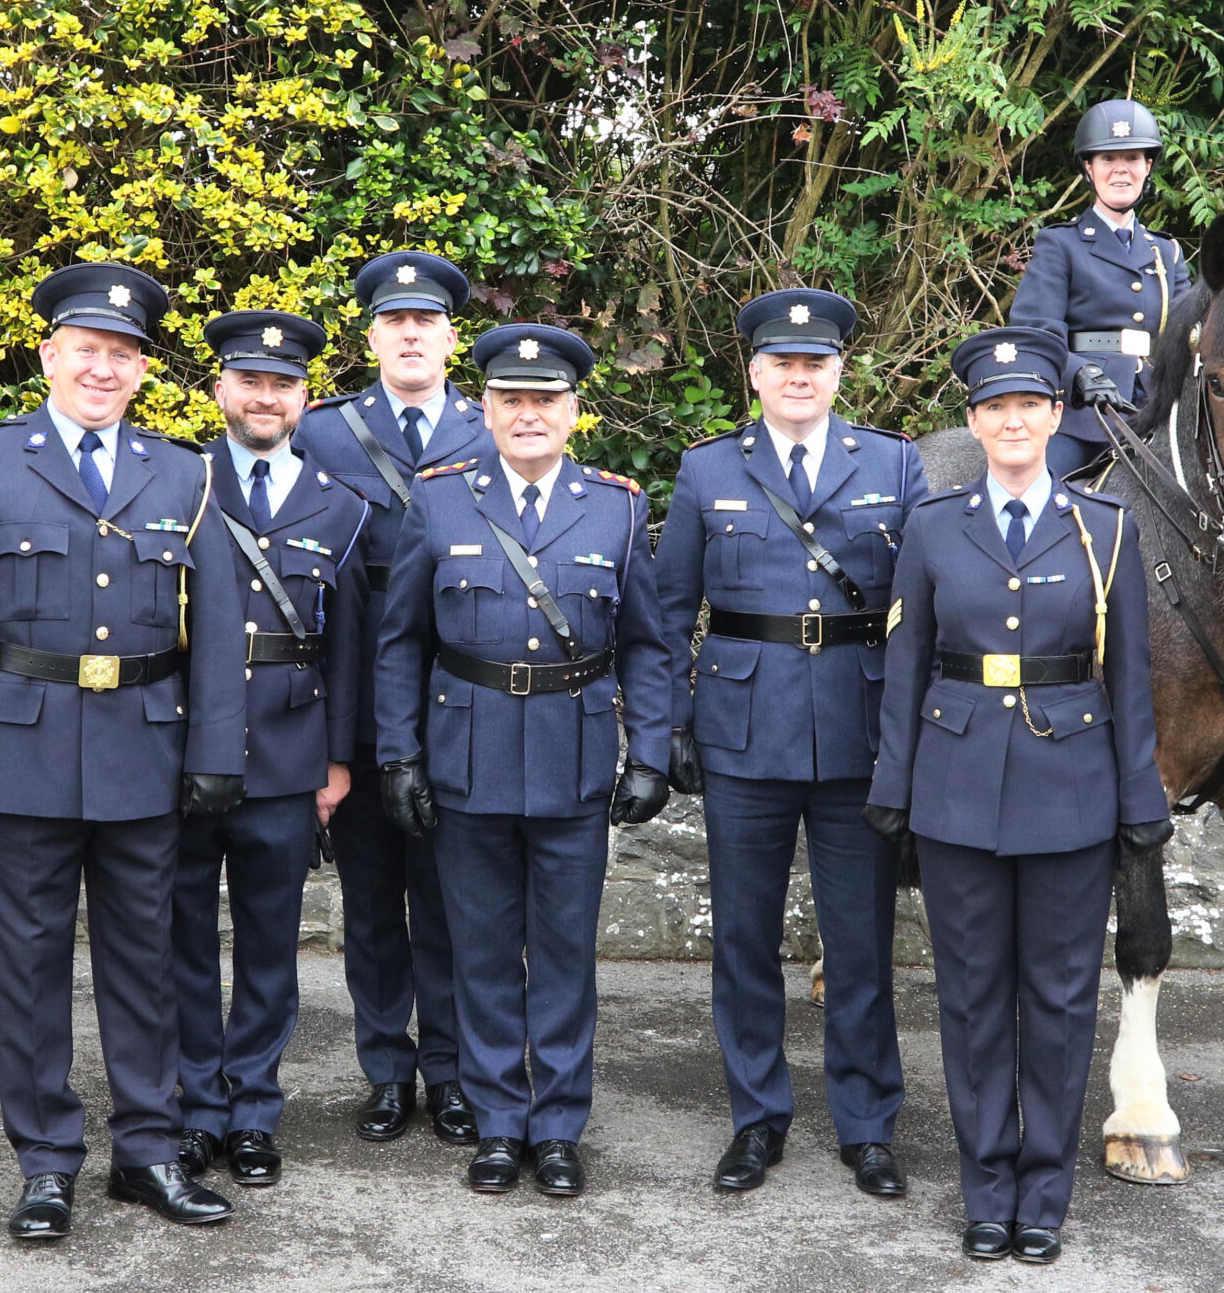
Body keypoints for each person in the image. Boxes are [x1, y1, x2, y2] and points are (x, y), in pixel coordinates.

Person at [0, 262, 249, 1241]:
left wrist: (214, 750)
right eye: (88, 350)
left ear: (141, 370)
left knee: (147, 964)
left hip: (145, 753)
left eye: (124, 355)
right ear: (49, 355)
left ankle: (148, 1149)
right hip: (22, 754)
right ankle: (47, 1161)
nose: (104, 368)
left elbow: (217, 626)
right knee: (31, 964)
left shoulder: (182, 472)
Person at [863, 326, 1167, 1264]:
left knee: (1063, 994)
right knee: (971, 996)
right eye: (995, 408)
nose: (1012, 421)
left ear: (1053, 417)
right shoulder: (931, 526)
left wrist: (1138, 801)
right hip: (956, 788)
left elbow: (1129, 681)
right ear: (972, 421)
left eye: (1029, 406)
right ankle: (987, 1185)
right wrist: (894, 787)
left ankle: (1045, 1190)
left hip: (1071, 787)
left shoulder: (1106, 528)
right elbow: (905, 664)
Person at [374, 322, 674, 1197]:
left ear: (574, 412)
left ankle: (559, 1127)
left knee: (565, 952)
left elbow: (648, 645)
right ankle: (500, 1122)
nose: (529, 414)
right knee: (482, 952)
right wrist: (399, 754)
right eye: (512, 400)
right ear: (489, 410)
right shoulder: (438, 500)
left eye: (546, 400)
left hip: (573, 760)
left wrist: (647, 751)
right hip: (465, 758)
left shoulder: (616, 507)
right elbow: (400, 643)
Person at [654, 288, 924, 1197]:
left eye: (815, 364)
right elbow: (665, 617)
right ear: (755, 372)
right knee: (743, 938)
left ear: (839, 371)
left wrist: (911, 736)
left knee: (860, 941)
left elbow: (920, 615)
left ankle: (867, 1124)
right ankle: (756, 1118)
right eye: (782, 363)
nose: (799, 376)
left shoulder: (894, 463)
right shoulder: (705, 472)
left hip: (858, 727)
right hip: (742, 731)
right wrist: (672, 727)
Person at [290, 251, 489, 1146]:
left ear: (452, 337)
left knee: (450, 898)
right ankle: (386, 1067)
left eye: (427, 322)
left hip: (460, 695)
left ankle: (448, 1069)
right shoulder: (323, 434)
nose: (411, 335)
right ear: (371, 336)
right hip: (358, 690)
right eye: (394, 323)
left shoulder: (496, 431)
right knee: (370, 899)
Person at [170, 309, 371, 1188]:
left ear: (305, 399)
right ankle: (191, 1109)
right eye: (249, 381)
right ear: (220, 390)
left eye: (281, 385)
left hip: (290, 758)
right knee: (178, 938)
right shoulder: (176, 485)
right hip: (181, 751)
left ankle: (252, 1109)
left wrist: (337, 761)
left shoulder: (343, 505)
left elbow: (350, 649)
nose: (265, 397)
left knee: (267, 944)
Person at [1007, 98, 1192, 478]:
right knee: (1035, 490)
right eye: (1108, 159)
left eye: (1132, 159)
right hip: (1084, 416)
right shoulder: (1061, 245)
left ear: (1148, 167)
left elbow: (1188, 336)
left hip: (1157, 410)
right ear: (1089, 169)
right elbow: (1034, 331)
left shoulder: (1167, 252)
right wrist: (1078, 374)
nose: (1121, 170)